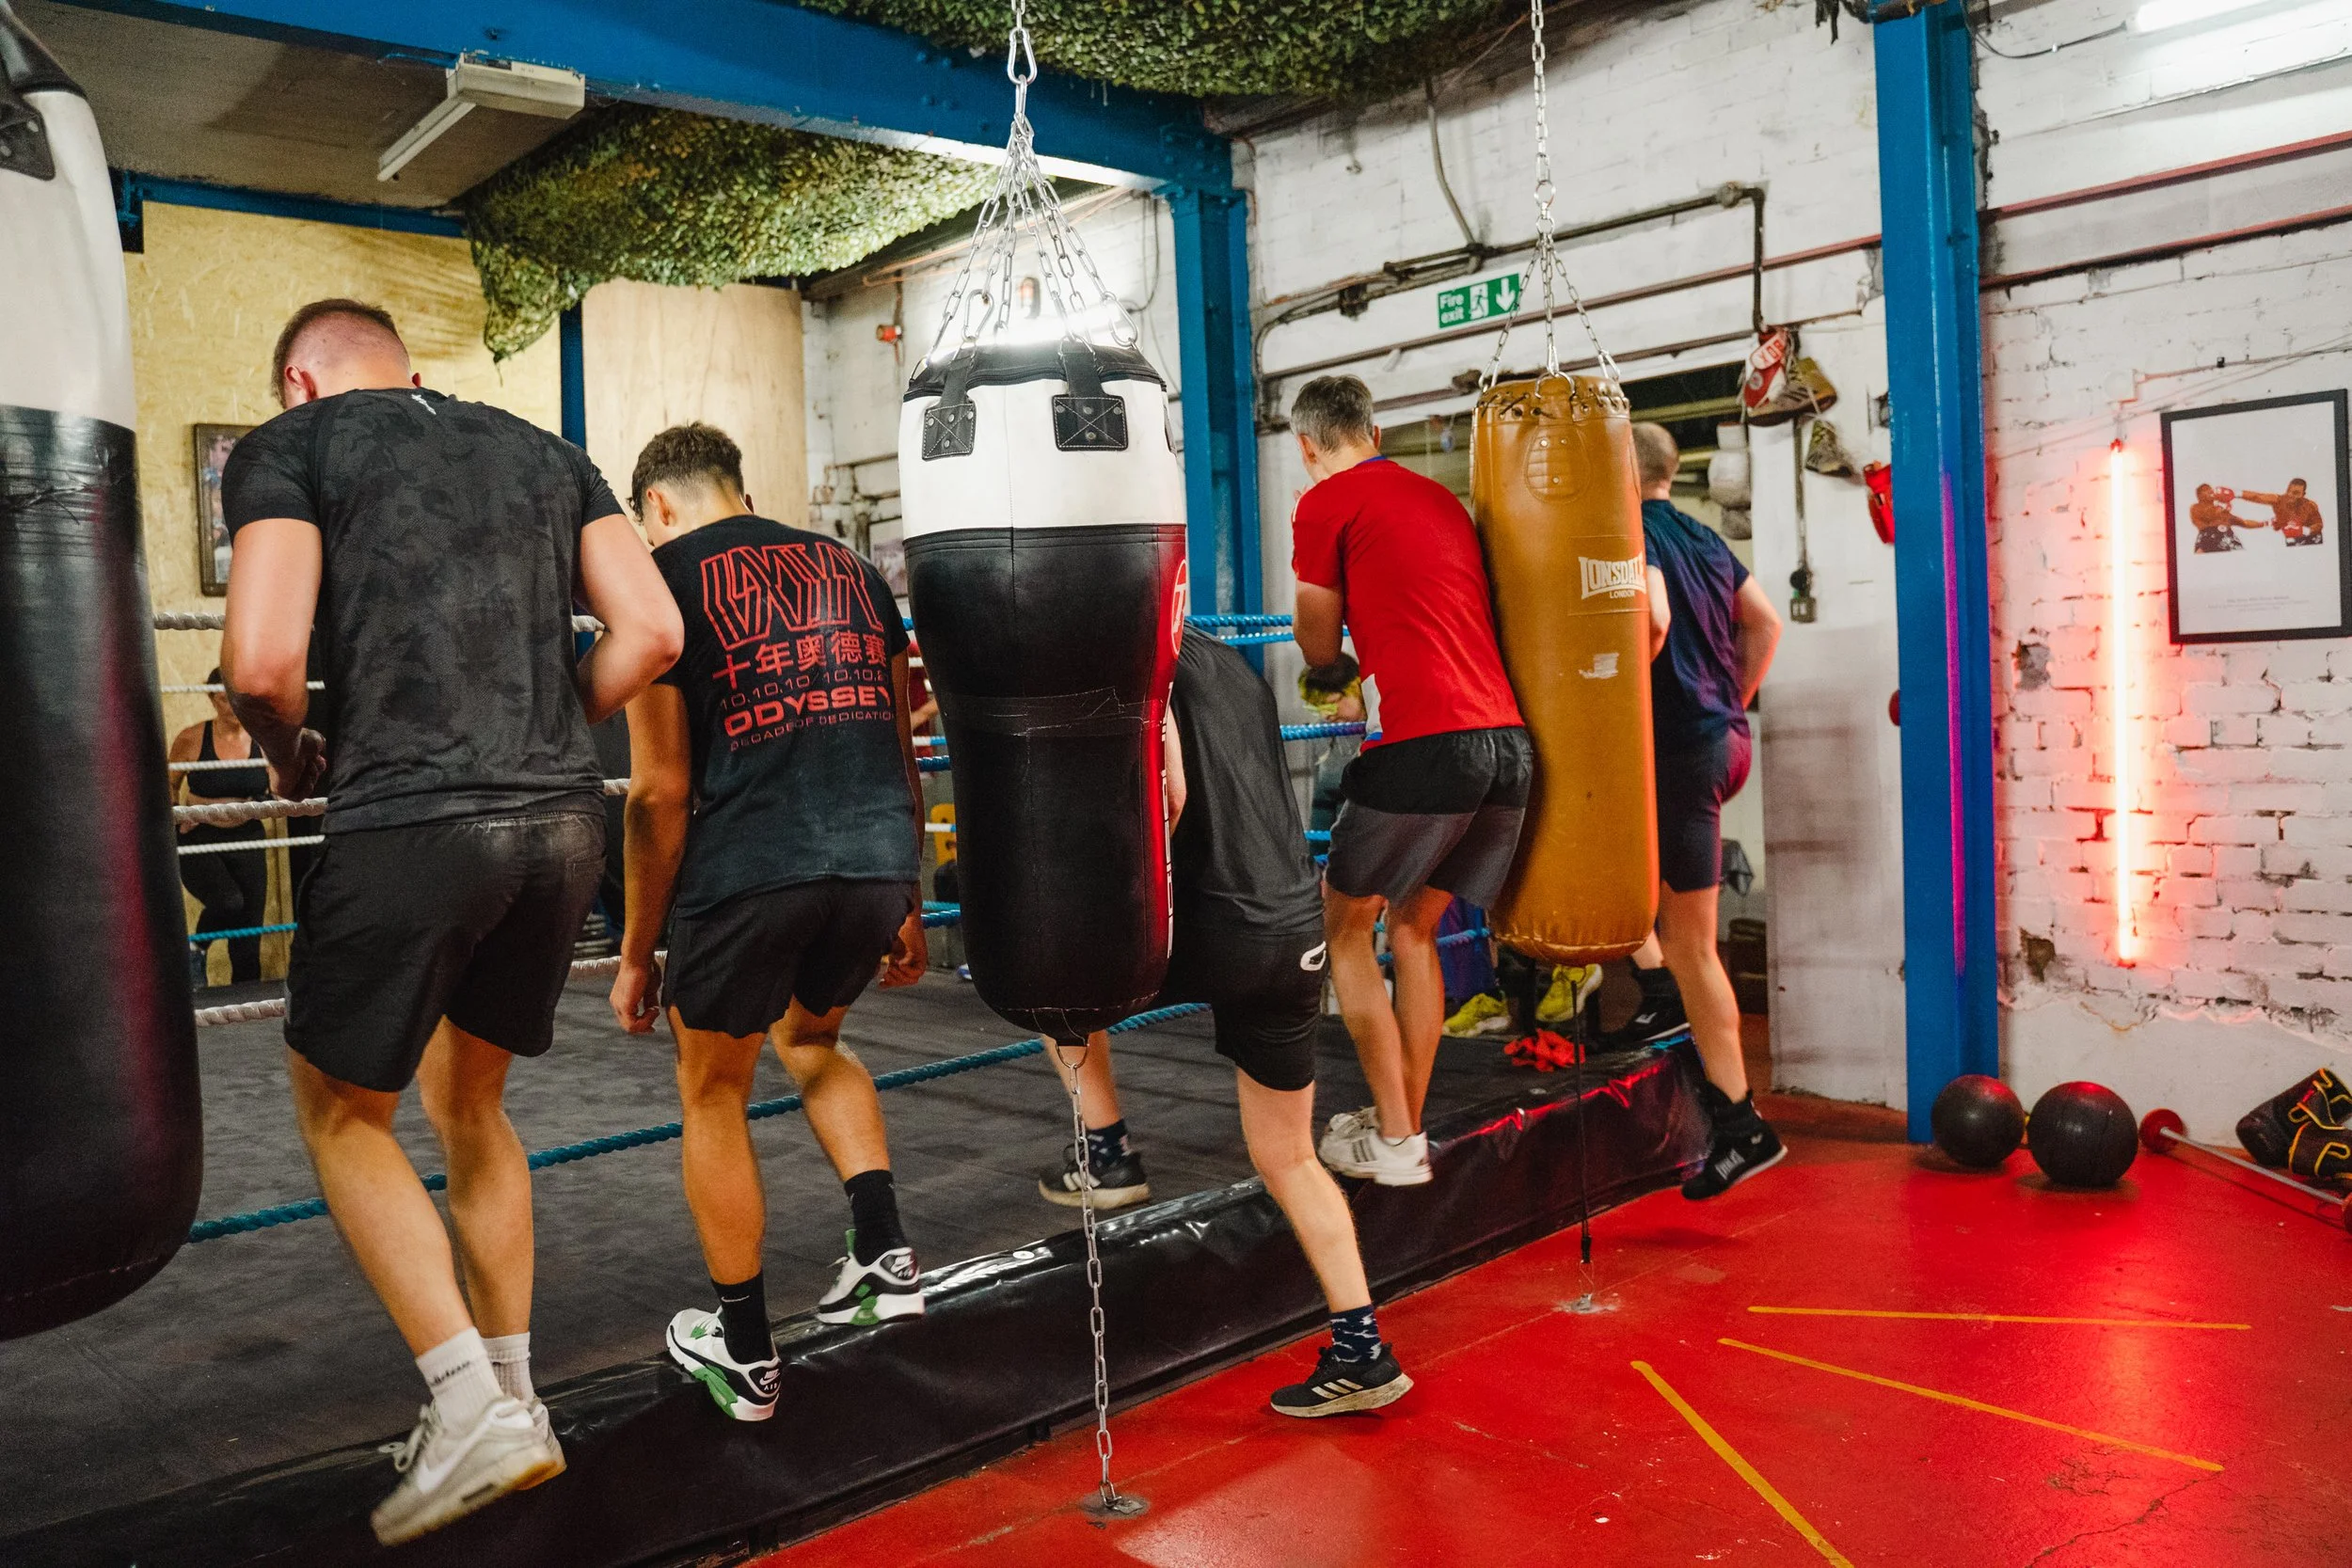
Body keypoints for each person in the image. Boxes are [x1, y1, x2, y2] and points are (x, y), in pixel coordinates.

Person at [221, 298, 682, 1545]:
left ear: (299, 381)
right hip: (559, 827)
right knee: (470, 1106)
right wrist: (546, 735)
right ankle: (515, 1397)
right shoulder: (545, 448)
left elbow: (260, 663)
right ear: (412, 373)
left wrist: (288, 753)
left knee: (337, 1107)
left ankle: (468, 1397)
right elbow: (654, 631)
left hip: (413, 818)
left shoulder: (293, 446)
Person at [608, 422, 932, 1425]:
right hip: (873, 851)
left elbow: (659, 793)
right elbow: (896, 733)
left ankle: (744, 1351)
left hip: (752, 864)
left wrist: (634, 952)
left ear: (656, 505)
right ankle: (885, 1254)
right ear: (735, 487)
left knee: (711, 1091)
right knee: (815, 1037)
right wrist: (907, 884)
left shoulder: (662, 580)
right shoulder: (846, 563)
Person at [1039, 627, 1410, 1416]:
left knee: (1049, 974)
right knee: (1287, 1154)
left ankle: (1107, 1155)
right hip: (1290, 924)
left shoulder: (1132, 660)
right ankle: (1362, 1350)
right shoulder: (1231, 666)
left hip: (1213, 924)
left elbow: (1165, 797)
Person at [1287, 374, 1532, 1187]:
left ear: (1307, 445)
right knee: (1415, 928)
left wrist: (1331, 672)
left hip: (1428, 743)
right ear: (1377, 430)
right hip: (1508, 746)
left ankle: (1395, 1142)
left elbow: (1316, 635)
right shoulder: (1440, 498)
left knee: (1344, 926)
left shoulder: (1326, 501)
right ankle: (1402, 1126)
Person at [1601, 423, 1785, 1199]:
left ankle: (1743, 1126)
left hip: (1679, 753)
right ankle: (1657, 985)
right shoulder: (1707, 536)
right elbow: (1766, 622)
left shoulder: (1625, 531)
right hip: (1722, 743)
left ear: (1618, 468)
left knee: (1695, 945)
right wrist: (1731, 703)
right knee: (1614, 876)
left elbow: (1653, 618)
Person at [169, 671, 270, 988]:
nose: (232, 706)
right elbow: (169, 784)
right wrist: (177, 814)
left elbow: (282, 787)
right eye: (224, 698)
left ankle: (247, 1021)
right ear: (212, 699)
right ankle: (195, 948)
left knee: (247, 942)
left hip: (248, 839)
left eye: (237, 698)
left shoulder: (264, 739)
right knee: (228, 902)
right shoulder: (192, 738)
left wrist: (270, 799)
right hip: (200, 839)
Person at [2240, 479, 2325, 546]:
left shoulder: (2310, 506)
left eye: (2296, 493)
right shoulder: (2279, 500)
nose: (2290, 495)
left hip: (2310, 543)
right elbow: (2257, 496)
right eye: (2288, 491)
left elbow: (2319, 525)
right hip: (2286, 545)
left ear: (2303, 494)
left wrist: (2304, 530)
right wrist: (2236, 493)